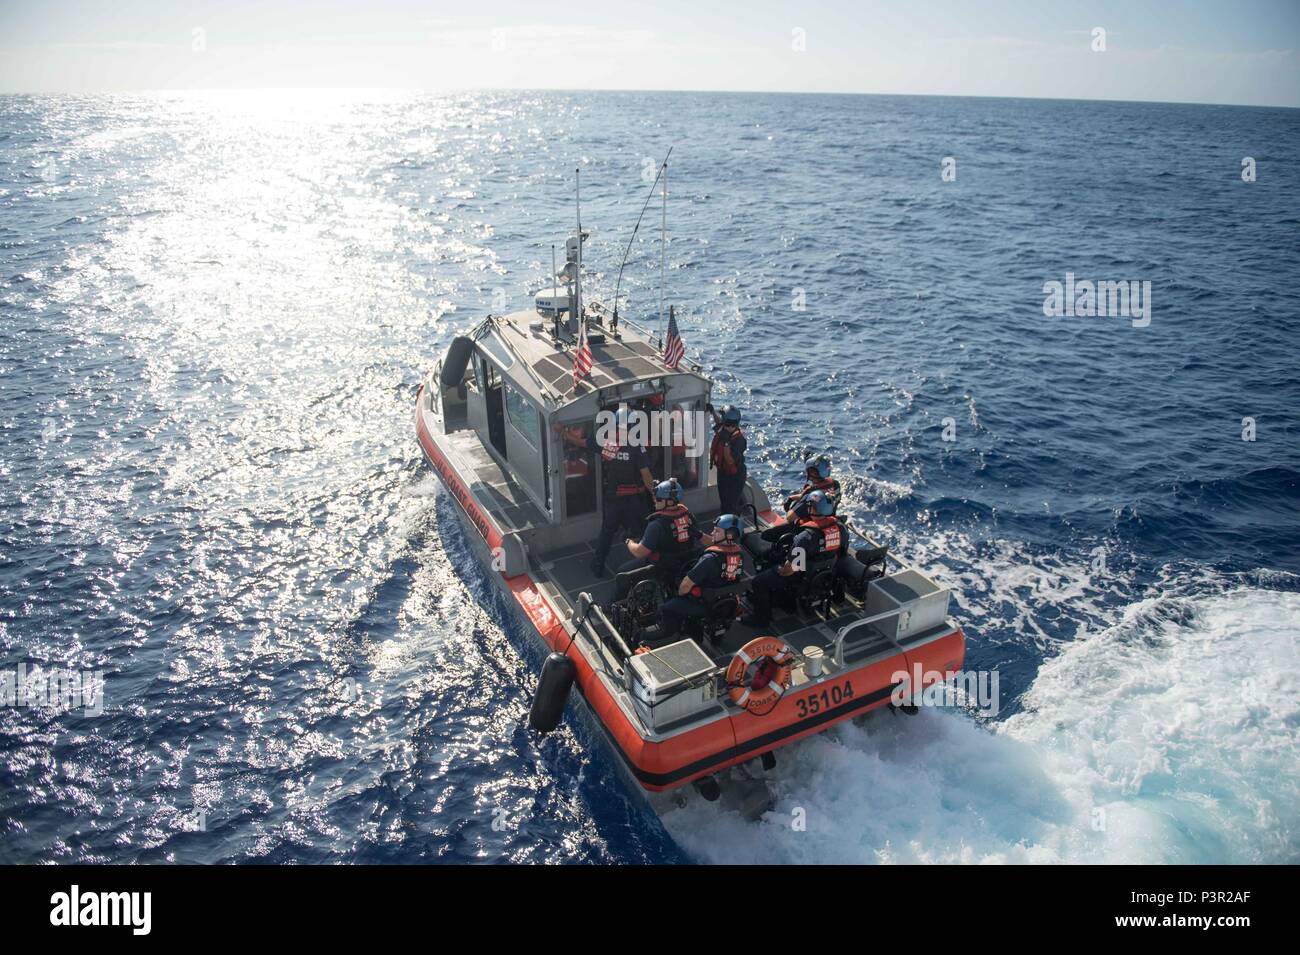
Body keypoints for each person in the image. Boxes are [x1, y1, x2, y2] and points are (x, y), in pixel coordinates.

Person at [557, 405, 655, 577]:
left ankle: (598, 565)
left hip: (614, 497)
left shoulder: (606, 441)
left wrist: (562, 432)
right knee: (641, 532)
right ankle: (646, 567)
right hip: (634, 499)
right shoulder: (637, 446)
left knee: (607, 532)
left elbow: (581, 442)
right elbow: (646, 475)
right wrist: (655, 495)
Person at [742, 491, 843, 627]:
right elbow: (841, 552)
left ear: (812, 509)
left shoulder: (805, 538)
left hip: (801, 578)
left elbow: (792, 569)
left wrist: (779, 569)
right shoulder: (840, 529)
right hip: (824, 575)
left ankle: (761, 620)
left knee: (759, 582)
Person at [659, 514, 744, 642]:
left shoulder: (709, 559)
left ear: (730, 535)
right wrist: (699, 535)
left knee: (668, 608)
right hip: (727, 602)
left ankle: (670, 634)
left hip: (705, 604)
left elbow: (685, 586)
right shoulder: (739, 554)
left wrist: (679, 594)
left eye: (717, 531)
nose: (712, 532)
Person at [615, 479, 697, 600]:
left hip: (662, 565)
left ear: (670, 501)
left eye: (658, 499)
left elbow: (639, 552)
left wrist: (628, 541)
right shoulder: (688, 515)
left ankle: (613, 604)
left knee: (622, 573)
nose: (654, 500)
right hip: (684, 561)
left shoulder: (656, 525)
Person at [709, 404, 747, 517]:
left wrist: (726, 444)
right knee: (724, 501)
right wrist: (712, 412)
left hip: (735, 476)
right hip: (723, 472)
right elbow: (718, 422)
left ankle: (731, 528)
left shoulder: (739, 440)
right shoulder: (724, 428)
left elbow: (730, 461)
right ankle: (725, 522)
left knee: (730, 505)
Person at [784, 454, 841, 522]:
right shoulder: (835, 484)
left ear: (809, 473)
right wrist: (791, 498)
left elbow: (790, 517)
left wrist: (789, 509)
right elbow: (819, 497)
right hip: (830, 519)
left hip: (815, 524)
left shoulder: (811, 493)